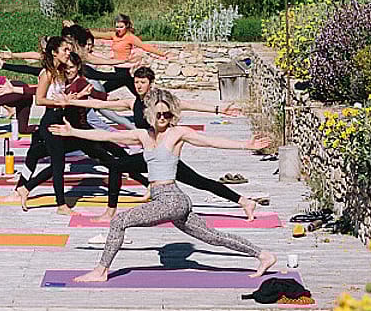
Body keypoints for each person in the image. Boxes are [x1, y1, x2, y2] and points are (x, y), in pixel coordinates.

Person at [50, 89, 276, 282]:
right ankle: (263, 254)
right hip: (168, 200)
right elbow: (104, 136)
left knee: (119, 221)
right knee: (213, 237)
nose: (163, 117)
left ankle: (101, 271)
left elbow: (212, 142)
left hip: (171, 199)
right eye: (159, 113)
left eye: (167, 114)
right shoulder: (144, 135)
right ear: (150, 114)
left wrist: (245, 145)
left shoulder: (177, 134)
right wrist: (73, 132)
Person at [63, 66, 264, 218]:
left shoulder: (160, 102)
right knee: (115, 166)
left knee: (200, 182)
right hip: (150, 154)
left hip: (165, 157)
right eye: (136, 82)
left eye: (142, 82)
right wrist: (71, 101)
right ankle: (111, 211)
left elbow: (188, 105)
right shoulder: (132, 102)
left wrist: (218, 110)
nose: (138, 86)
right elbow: (99, 103)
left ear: (150, 83)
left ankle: (244, 201)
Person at [11, 52, 150, 219]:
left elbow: (97, 96)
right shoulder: (65, 82)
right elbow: (45, 91)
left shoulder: (80, 82)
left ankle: (26, 188)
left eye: (72, 67)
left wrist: (110, 97)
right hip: (74, 131)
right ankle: (34, 192)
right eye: (66, 68)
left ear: (78, 67)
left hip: (81, 131)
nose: (69, 71)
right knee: (102, 159)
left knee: (112, 155)